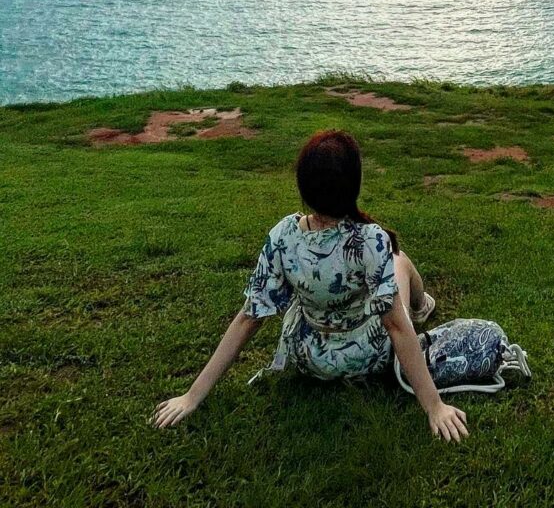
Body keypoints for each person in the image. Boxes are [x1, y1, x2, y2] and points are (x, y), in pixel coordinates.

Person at [152, 129, 469, 442]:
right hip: (367, 357)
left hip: (309, 358)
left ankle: (419, 305)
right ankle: (421, 305)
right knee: (399, 259)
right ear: (353, 185)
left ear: (303, 186)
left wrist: (192, 396)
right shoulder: (372, 240)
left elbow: (249, 317)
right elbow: (396, 327)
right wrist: (434, 407)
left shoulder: (284, 236)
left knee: (381, 267)